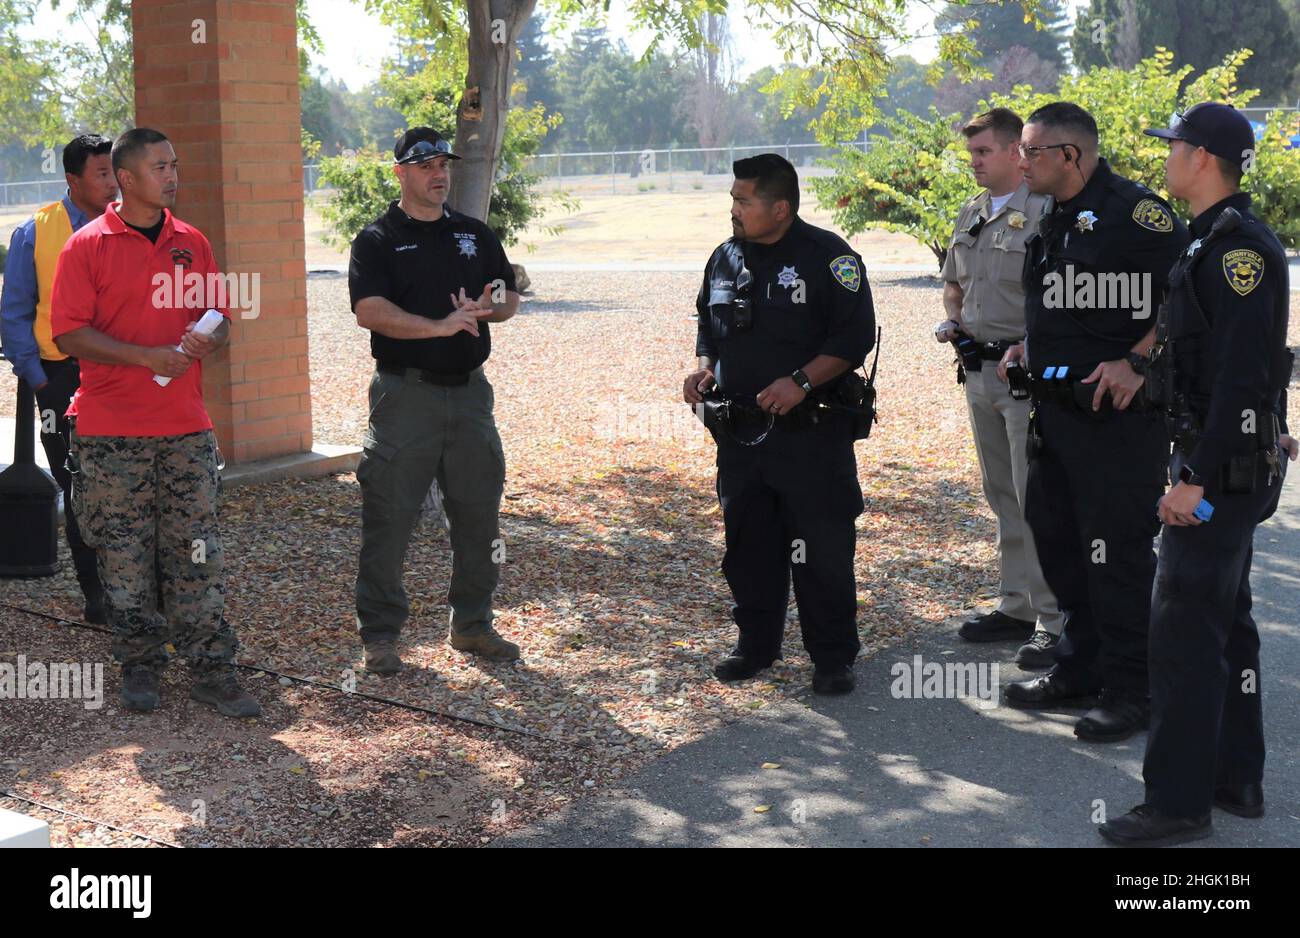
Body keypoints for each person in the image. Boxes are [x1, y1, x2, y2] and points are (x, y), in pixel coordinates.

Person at [1101, 103, 1297, 846]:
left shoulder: (1238, 250)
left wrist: (1199, 481)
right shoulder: (1209, 240)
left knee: (1181, 630)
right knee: (1227, 621)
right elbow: (1237, 367)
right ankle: (1235, 777)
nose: (1166, 156)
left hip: (1218, 473)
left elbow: (1243, 375)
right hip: (1226, 458)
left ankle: (1178, 803)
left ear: (1205, 157)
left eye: (1173, 145)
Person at [49, 127, 259, 717]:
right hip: (111, 431)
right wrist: (145, 357)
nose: (172, 175)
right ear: (127, 177)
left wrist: (207, 336)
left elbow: (220, 317)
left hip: (185, 426)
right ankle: (139, 663)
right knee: (124, 551)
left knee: (196, 549)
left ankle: (212, 668)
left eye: (175, 165)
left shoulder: (190, 241)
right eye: (161, 166)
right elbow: (67, 333)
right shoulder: (86, 246)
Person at [997, 103, 1188, 742]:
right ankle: (1081, 669)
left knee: (1119, 557)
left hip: (1119, 424)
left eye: (1030, 151)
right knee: (1059, 543)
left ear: (1070, 156)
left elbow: (1186, 300)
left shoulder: (1140, 217)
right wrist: (1028, 346)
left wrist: (1139, 359)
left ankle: (1134, 691)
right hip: (1055, 416)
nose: (1019, 161)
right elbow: (1052, 302)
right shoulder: (1053, 215)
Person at [685, 153, 876, 695]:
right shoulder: (725, 258)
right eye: (734, 199)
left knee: (820, 548)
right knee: (748, 546)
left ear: (781, 207)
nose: (735, 209)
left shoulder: (827, 257)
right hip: (741, 437)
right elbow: (708, 325)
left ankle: (833, 657)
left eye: (744, 201)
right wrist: (701, 373)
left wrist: (801, 382)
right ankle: (756, 647)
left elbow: (853, 337)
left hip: (810, 437)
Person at [349, 127, 521, 675]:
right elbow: (369, 311)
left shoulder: (473, 233)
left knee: (478, 515)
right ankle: (379, 635)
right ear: (400, 172)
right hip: (406, 396)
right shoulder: (376, 239)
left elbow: (508, 294)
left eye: (443, 164)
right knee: (390, 517)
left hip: (471, 397)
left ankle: (472, 625)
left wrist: (489, 307)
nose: (438, 174)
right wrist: (439, 326)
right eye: (424, 166)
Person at [935, 108, 1063, 668]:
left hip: (1024, 377)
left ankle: (1054, 619)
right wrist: (953, 321)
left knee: (1034, 493)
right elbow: (953, 284)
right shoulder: (972, 211)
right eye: (971, 155)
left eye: (984, 152)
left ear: (1017, 151)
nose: (975, 164)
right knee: (1001, 493)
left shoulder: (1045, 214)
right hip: (978, 371)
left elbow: (1057, 300)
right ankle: (1016, 606)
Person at [1, 133, 116, 622]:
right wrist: (39, 379)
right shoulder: (34, 232)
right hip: (60, 381)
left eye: (116, 172)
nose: (114, 183)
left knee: (125, 482)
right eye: (103, 174)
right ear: (73, 180)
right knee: (79, 484)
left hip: (120, 377)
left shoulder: (129, 223)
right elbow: (14, 313)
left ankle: (135, 588)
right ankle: (97, 594)